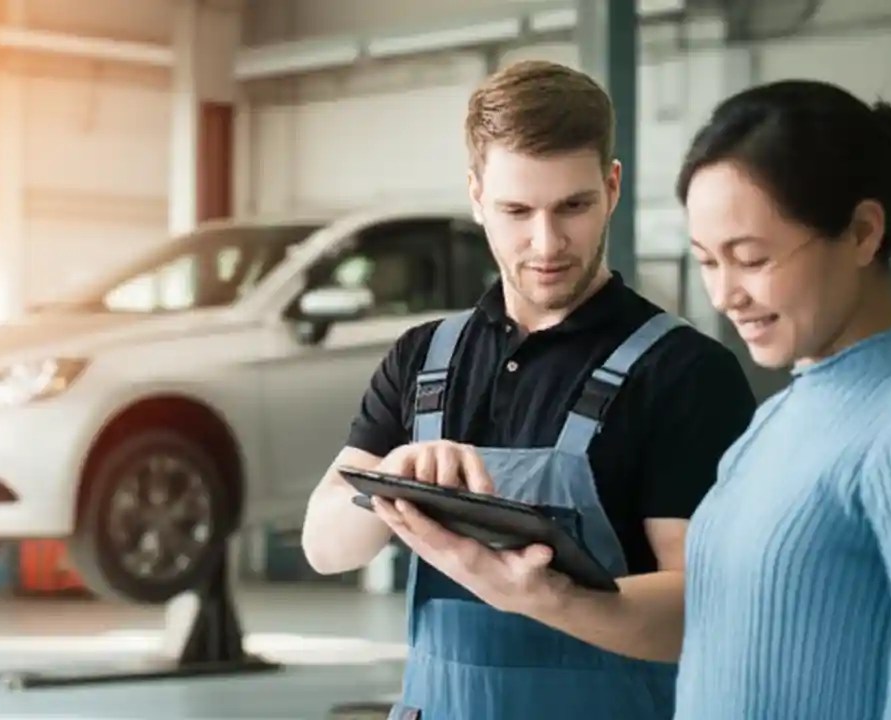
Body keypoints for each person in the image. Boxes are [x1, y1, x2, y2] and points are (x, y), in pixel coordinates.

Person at [300, 59, 757, 719]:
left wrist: (547, 596)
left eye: (573, 205)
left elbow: (700, 614)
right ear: (476, 195)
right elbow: (324, 547)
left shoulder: (684, 374)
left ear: (613, 186)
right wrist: (395, 479)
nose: (547, 243)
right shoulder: (422, 360)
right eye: (517, 210)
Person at [671, 81, 891, 718]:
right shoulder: (773, 418)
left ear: (862, 232)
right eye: (707, 262)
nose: (725, 296)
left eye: (749, 258)